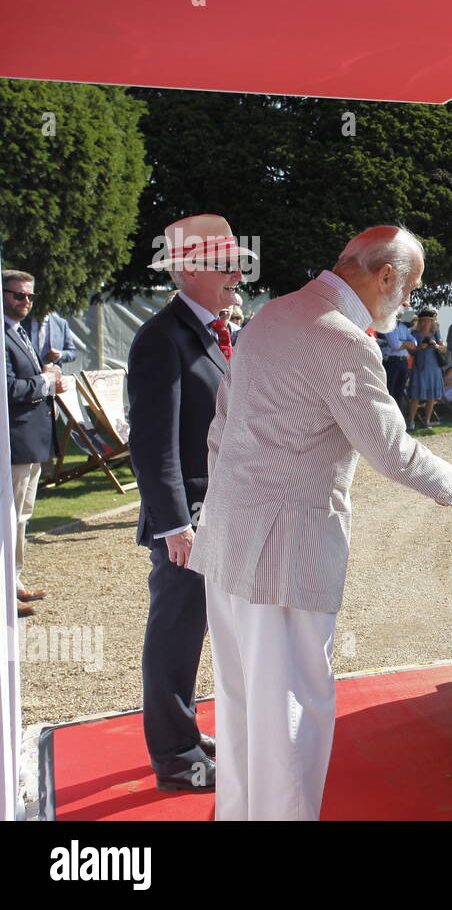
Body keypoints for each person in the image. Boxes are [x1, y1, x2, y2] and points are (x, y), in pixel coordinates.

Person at [187, 225, 452, 820]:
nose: (410, 301)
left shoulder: (270, 316)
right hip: (286, 547)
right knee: (295, 706)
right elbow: (389, 449)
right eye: (411, 286)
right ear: (385, 276)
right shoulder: (342, 339)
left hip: (229, 535)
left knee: (242, 701)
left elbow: (220, 426)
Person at [128, 214, 256, 792]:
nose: (236, 272)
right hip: (190, 521)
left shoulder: (206, 331)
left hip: (216, 513)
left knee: (198, 631)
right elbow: (153, 446)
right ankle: (176, 759)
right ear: (186, 270)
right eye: (221, 263)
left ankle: (183, 733)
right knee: (175, 634)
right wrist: (175, 526)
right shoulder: (162, 338)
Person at [5, 270, 73, 618]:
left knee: (22, 517)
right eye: (18, 295)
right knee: (10, 517)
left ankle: (14, 581)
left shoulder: (17, 332)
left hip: (31, 439)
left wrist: (49, 380)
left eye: (30, 296)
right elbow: (8, 387)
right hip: (14, 440)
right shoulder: (4, 334)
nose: (26, 302)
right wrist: (45, 382)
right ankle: (5, 592)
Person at [407, 308, 447, 429]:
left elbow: (444, 350)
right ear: (420, 321)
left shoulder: (436, 333)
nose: (427, 323)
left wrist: (436, 345)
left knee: (431, 397)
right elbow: (410, 351)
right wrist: (420, 347)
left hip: (434, 367)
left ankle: (427, 421)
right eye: (424, 321)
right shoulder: (414, 333)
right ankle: (411, 422)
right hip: (419, 367)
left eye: (429, 321)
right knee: (415, 396)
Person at [24, 300, 79, 368]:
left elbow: (73, 352)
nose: (43, 306)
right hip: (29, 375)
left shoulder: (61, 324)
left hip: (53, 374)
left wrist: (60, 355)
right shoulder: (22, 323)